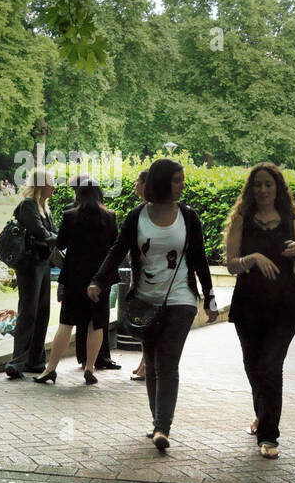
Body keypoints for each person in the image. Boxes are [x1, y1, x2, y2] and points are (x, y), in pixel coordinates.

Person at [88, 159, 218, 452]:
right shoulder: (138, 216)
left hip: (180, 299)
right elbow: (117, 250)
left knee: (168, 362)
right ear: (161, 182)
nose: (182, 185)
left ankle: (163, 427)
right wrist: (98, 281)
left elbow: (199, 259)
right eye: (176, 180)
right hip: (145, 302)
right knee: (152, 363)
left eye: (182, 180)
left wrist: (209, 297)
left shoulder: (188, 216)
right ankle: (157, 420)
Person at [223, 163, 295, 459]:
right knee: (253, 365)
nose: (262, 190)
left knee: (271, 366)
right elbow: (231, 263)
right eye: (257, 184)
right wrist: (254, 258)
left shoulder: (290, 218)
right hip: (249, 304)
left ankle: (269, 435)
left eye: (268, 184)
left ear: (277, 188)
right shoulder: (241, 219)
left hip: (285, 305)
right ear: (251, 188)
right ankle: (262, 412)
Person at [34, 178, 118, 386]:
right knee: (96, 323)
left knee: (66, 323)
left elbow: (60, 243)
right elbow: (114, 247)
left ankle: (51, 368)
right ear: (99, 194)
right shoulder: (110, 216)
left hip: (74, 277)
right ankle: (90, 368)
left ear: (78, 194)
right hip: (99, 279)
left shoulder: (70, 216)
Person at [5, 169, 57, 379]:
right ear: (41, 184)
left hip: (43, 263)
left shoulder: (44, 207)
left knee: (43, 311)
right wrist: (55, 237)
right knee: (29, 311)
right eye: (51, 182)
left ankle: (35, 361)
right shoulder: (28, 205)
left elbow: (51, 234)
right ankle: (18, 362)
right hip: (29, 265)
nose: (54, 187)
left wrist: (52, 237)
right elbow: (40, 232)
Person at [130, 169, 151, 384]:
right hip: (141, 276)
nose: (135, 184)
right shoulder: (140, 211)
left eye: (138, 181)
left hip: (148, 279)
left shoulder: (144, 212)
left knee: (146, 322)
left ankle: (146, 366)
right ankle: (143, 363)